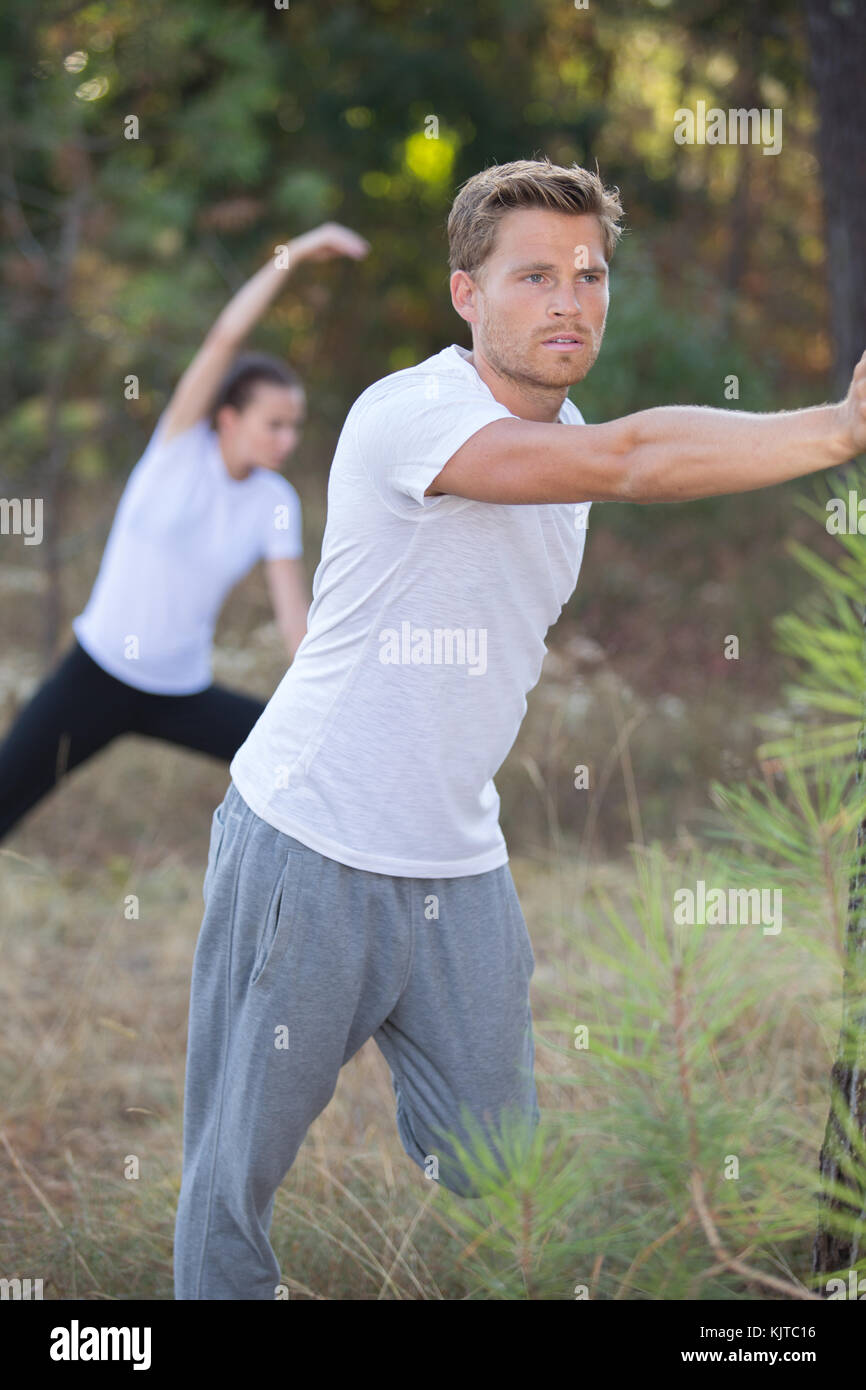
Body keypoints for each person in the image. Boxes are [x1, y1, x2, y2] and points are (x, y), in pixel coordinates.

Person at [173, 157, 866, 1300]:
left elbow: (616, 456)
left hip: (456, 862)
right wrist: (837, 431)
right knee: (232, 1173)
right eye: (534, 275)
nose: (567, 300)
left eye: (589, 275)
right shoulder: (409, 415)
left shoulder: (576, 437)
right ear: (467, 295)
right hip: (308, 838)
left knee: (500, 1169)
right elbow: (632, 462)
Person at [0, 222, 369, 845]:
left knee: (315, 773)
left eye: (295, 426)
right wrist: (296, 254)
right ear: (227, 418)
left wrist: (332, 702)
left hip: (181, 693)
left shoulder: (273, 501)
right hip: (95, 675)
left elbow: (292, 619)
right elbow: (226, 338)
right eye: (274, 424)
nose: (289, 439)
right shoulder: (176, 446)